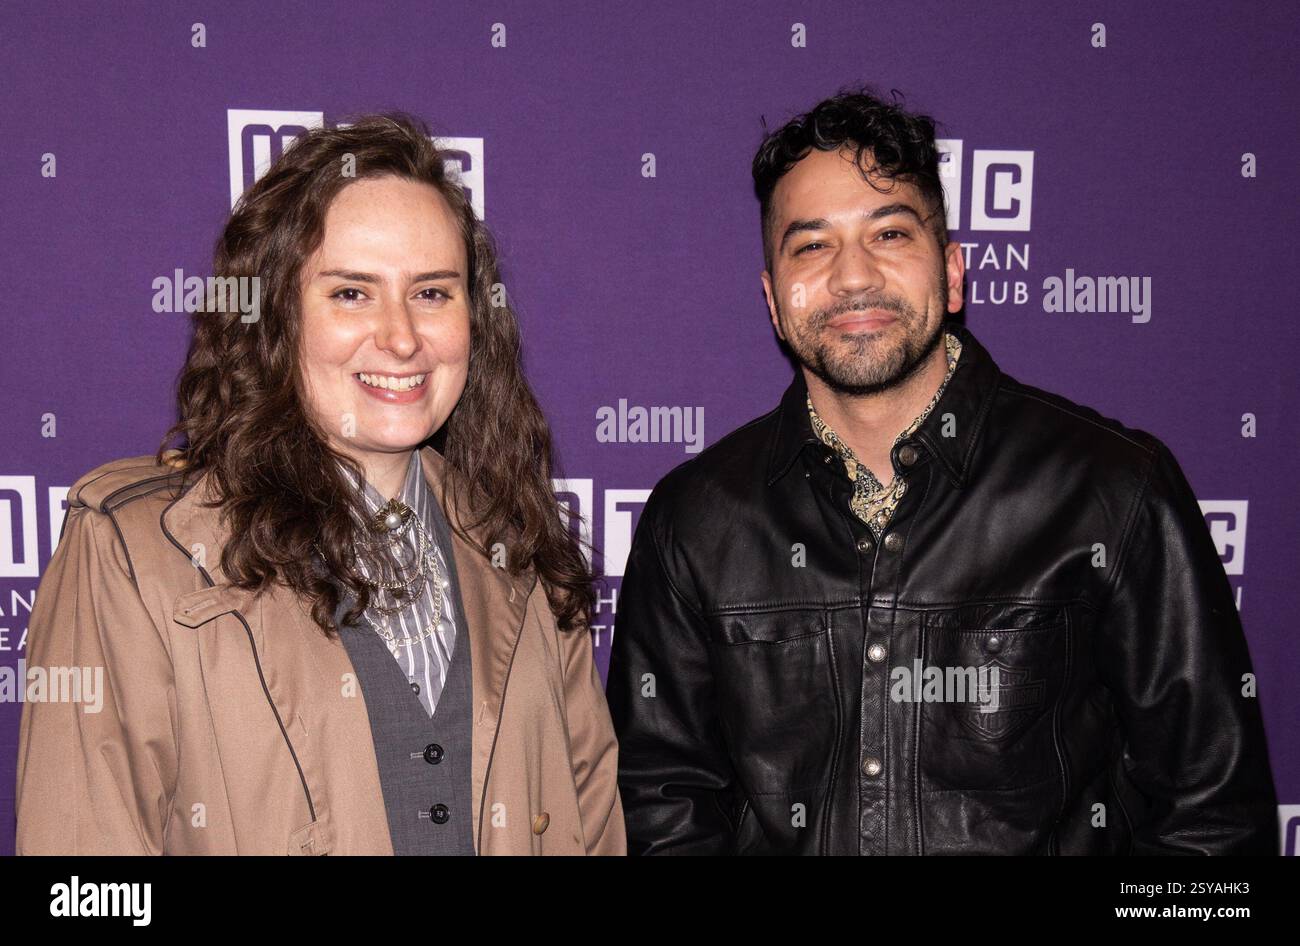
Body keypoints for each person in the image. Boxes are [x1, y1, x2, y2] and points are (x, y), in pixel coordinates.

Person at [606, 88, 1277, 855]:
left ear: (954, 274)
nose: (854, 277)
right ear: (772, 300)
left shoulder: (1112, 491)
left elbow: (1215, 829)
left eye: (890, 233)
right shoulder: (695, 520)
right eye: (812, 245)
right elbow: (661, 810)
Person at [16, 113, 624, 855]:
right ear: (274, 316)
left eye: (433, 293)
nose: (401, 337)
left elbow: (593, 832)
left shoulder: (521, 550)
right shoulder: (132, 552)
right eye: (351, 293)